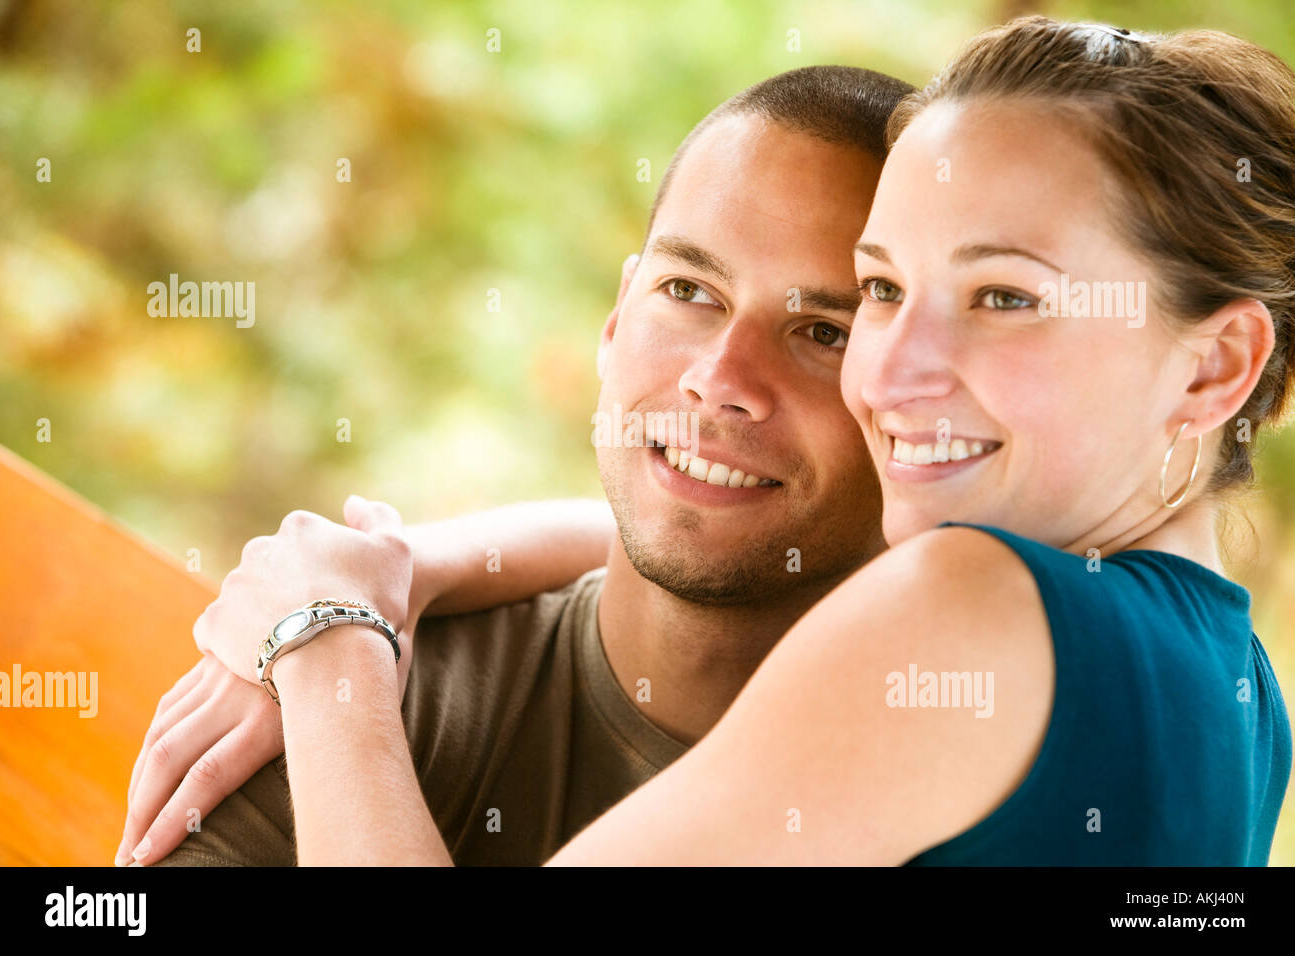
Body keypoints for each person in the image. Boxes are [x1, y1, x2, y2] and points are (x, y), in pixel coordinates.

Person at [116, 64, 915, 866]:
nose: (721, 378)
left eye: (824, 333)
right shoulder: (343, 709)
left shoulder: (973, 769)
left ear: (909, 403)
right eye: (690, 289)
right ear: (615, 322)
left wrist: (330, 652)